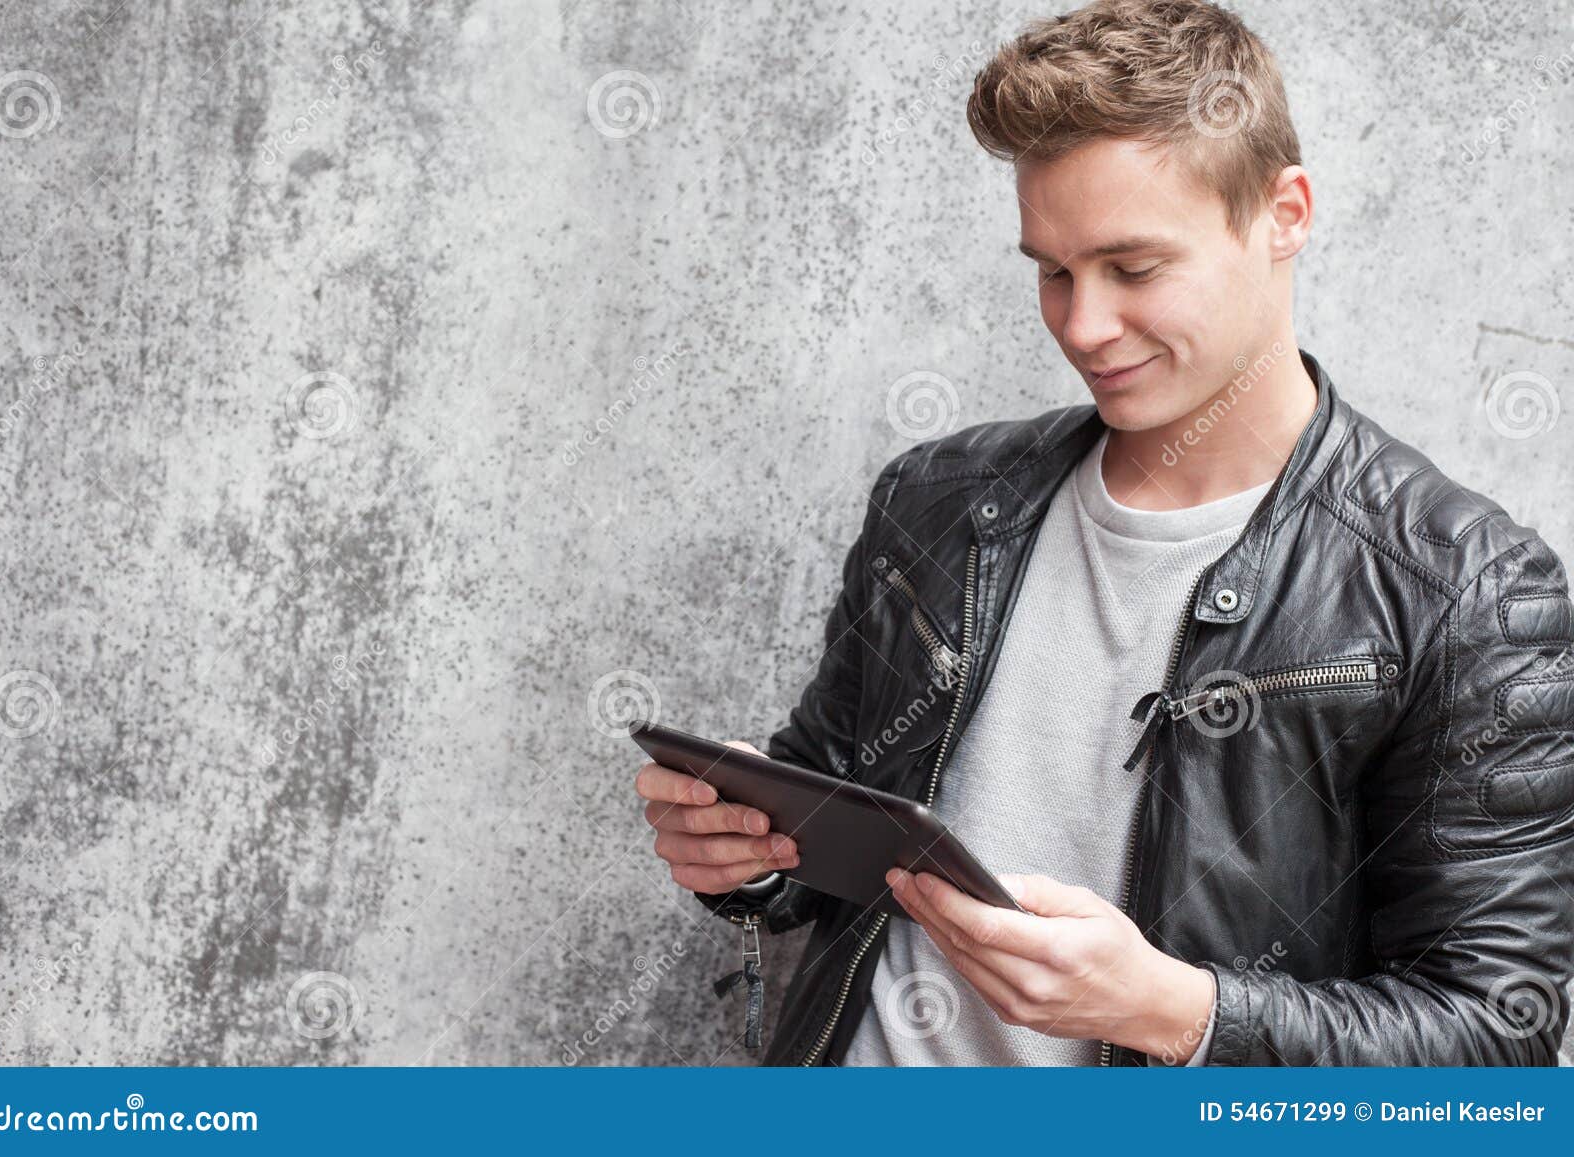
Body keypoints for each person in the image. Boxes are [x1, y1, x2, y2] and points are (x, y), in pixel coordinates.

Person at [634, 0, 1574, 1066]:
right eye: (1051, 270)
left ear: (1284, 213)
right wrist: (750, 853)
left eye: (1132, 269)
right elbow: (830, 805)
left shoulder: (1469, 591)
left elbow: (1497, 1046)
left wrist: (1173, 1010)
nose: (1081, 326)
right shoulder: (934, 497)